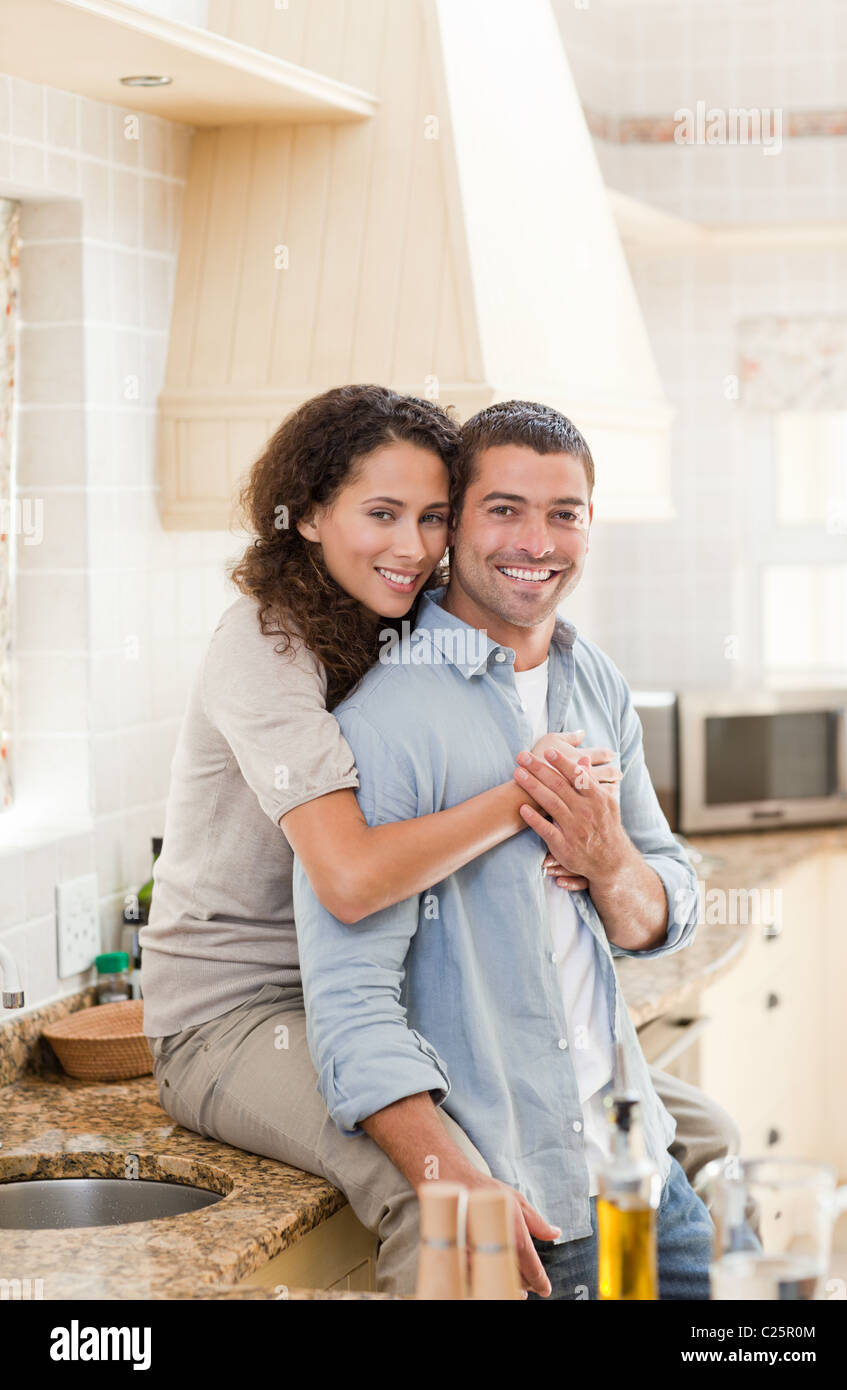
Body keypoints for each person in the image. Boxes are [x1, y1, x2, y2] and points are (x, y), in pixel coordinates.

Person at [142, 385, 739, 1299]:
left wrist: (611, 858)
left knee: (685, 1128)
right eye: (382, 515)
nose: (412, 546)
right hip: (243, 1007)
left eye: (427, 517)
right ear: (304, 516)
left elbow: (660, 886)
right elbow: (347, 882)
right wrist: (528, 794)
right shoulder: (272, 650)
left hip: (361, 980)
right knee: (448, 1196)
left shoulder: (419, 635)